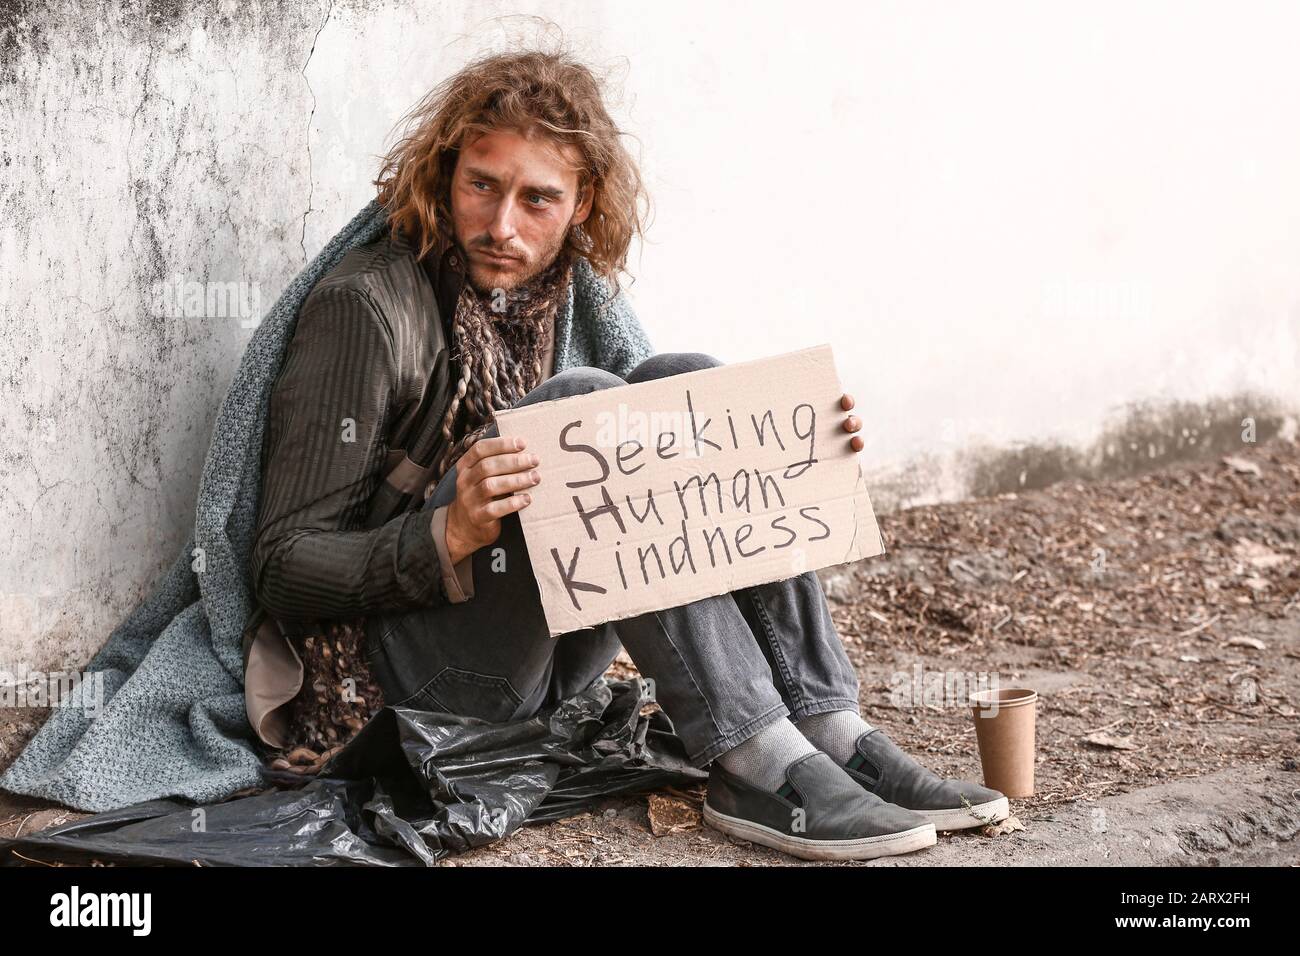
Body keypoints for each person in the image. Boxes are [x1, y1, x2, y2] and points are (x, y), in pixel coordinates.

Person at [243, 49, 1008, 862]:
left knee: (689, 385)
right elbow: (281, 563)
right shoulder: (366, 309)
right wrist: (443, 538)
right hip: (401, 690)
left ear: (583, 204)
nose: (502, 226)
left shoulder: (566, 293)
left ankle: (827, 724)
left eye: (538, 198)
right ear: (442, 175)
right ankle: (757, 764)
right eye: (481, 184)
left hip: (540, 665)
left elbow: (674, 440)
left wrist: (794, 450)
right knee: (582, 406)